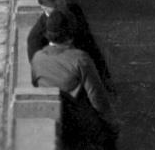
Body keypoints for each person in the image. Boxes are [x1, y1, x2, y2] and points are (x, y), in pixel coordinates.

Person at [31, 9, 117, 149]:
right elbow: (97, 97)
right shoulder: (80, 59)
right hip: (77, 123)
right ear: (71, 35)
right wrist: (110, 121)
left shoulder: (37, 58)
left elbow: (36, 84)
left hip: (51, 119)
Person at [25, 0, 112, 88]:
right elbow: (41, 73)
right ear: (41, 3)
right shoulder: (36, 38)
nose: (59, 2)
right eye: (52, 0)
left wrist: (105, 78)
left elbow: (92, 47)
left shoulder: (75, 11)